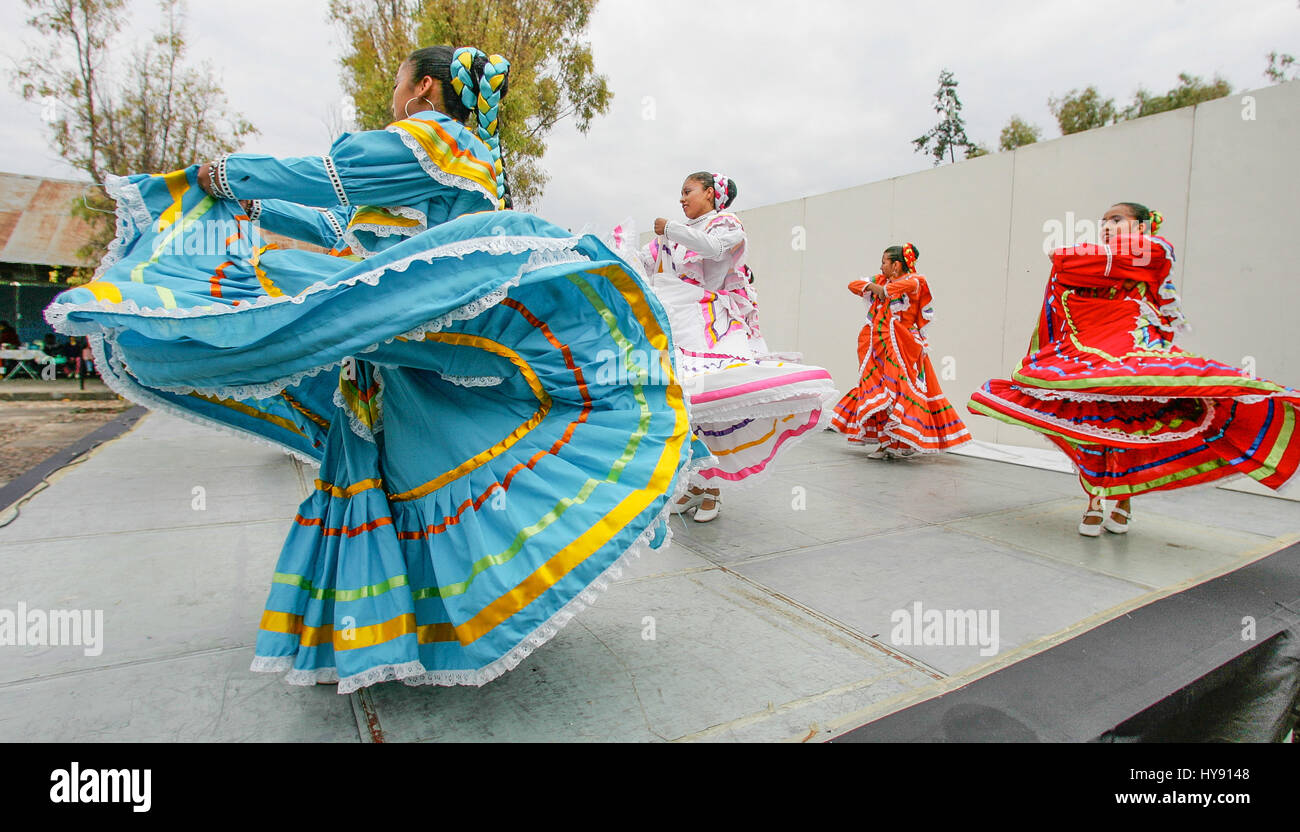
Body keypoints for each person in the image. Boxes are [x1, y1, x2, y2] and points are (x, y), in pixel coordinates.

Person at [46, 46, 692, 692]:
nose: (393, 95)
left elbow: (333, 174)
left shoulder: (437, 137)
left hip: (428, 312)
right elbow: (336, 218)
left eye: (398, 81)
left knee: (280, 284)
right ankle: (379, 631)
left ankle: (173, 317)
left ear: (425, 90)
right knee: (400, 467)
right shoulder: (444, 154)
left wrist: (229, 176)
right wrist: (259, 209)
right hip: (402, 340)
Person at [969, 202, 1300, 536]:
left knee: (1134, 436)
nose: (1107, 226)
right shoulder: (1100, 261)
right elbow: (1068, 272)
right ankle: (1095, 502)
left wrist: (1071, 258)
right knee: (1092, 435)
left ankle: (1124, 502)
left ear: (1141, 226)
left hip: (1135, 360)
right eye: (1104, 222)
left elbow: (1075, 261)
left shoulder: (1155, 252)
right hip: (1094, 363)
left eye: (1116, 219)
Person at [625, 172, 837, 522]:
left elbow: (714, 248)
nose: (681, 199)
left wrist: (671, 228)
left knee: (716, 403)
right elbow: (642, 262)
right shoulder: (672, 236)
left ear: (710, 193)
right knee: (686, 406)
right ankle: (696, 485)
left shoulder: (726, 224)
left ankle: (713, 491)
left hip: (713, 325)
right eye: (680, 193)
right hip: (677, 321)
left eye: (687, 192)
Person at [831, 243, 970, 457]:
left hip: (904, 347)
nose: (880, 267)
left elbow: (889, 292)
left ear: (896, 264)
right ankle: (891, 444)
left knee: (899, 391)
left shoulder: (914, 281)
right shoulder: (882, 280)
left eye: (884, 262)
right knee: (881, 389)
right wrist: (871, 287)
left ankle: (899, 443)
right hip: (881, 346)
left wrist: (874, 288)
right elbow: (853, 284)